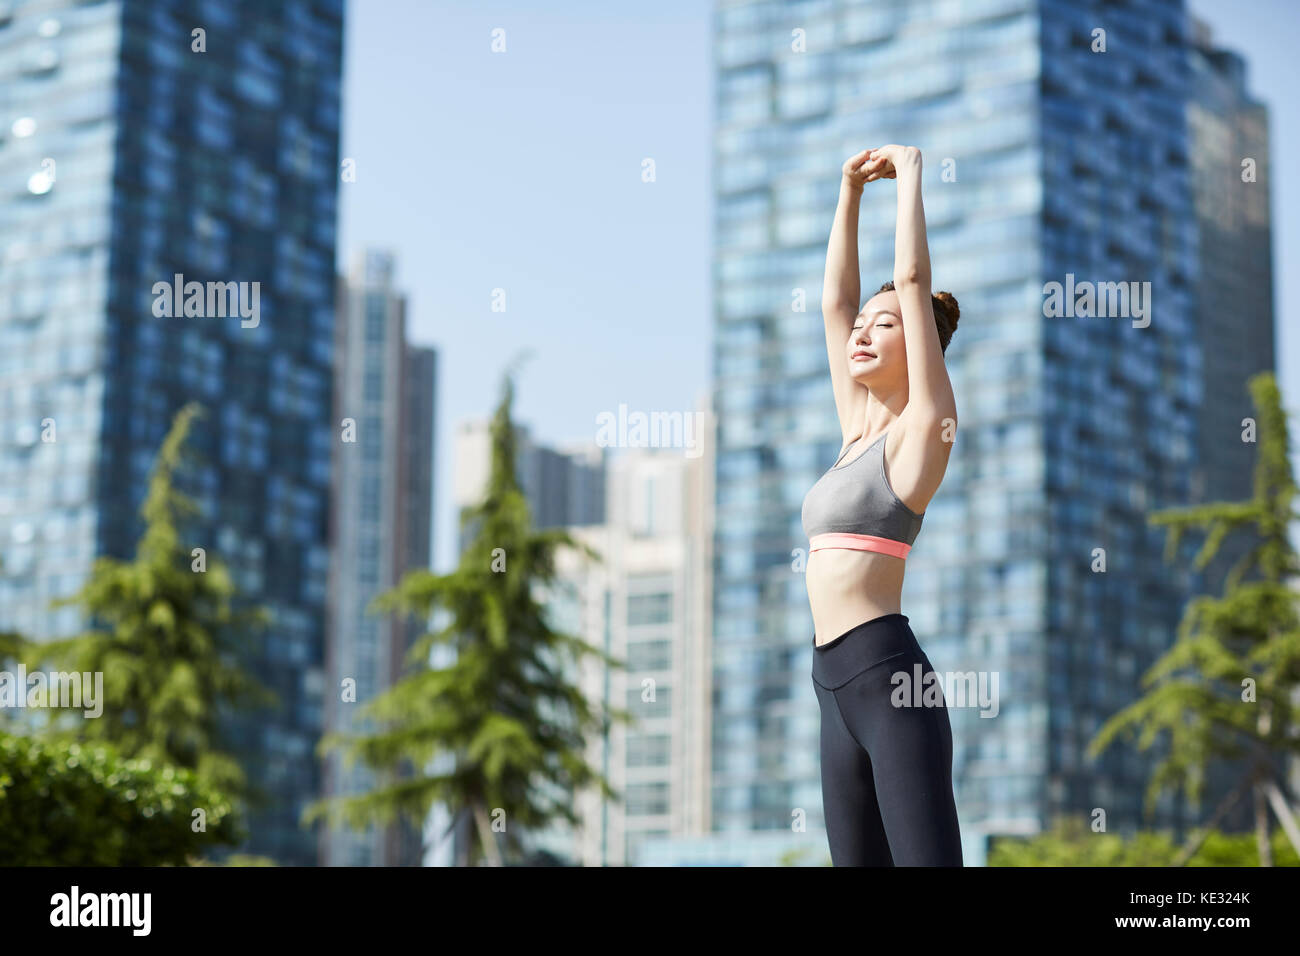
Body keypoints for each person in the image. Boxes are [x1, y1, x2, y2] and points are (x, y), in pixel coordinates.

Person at [803, 144, 962, 866]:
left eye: (886, 325)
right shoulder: (856, 428)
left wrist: (910, 175)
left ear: (921, 342)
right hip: (831, 688)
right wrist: (848, 191)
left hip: (889, 681)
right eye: (864, 327)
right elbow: (836, 302)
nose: (861, 333)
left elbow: (911, 276)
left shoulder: (920, 431)